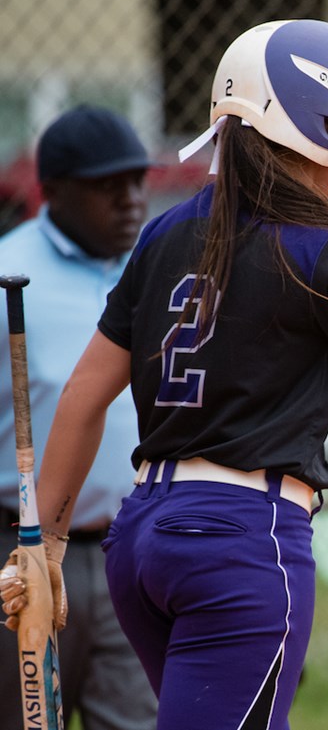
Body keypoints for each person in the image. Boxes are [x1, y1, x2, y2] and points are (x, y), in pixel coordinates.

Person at [1, 18, 328, 730]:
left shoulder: (165, 231)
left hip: (141, 537)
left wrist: (47, 550)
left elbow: (81, 395)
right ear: (313, 120)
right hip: (240, 538)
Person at [0, 105, 159, 730]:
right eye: (106, 186)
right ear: (53, 192)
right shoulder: (9, 275)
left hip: (132, 550)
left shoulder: (157, 266)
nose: (130, 200)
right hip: (24, 552)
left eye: (137, 181)